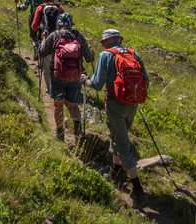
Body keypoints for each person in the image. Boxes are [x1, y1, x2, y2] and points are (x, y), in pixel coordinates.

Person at [82, 29, 149, 206]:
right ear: (119, 40)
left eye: (103, 42)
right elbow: (146, 79)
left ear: (107, 42)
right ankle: (116, 172)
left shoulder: (106, 55)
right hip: (133, 104)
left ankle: (137, 187)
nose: (102, 45)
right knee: (118, 137)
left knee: (122, 142)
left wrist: (84, 80)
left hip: (115, 104)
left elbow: (96, 84)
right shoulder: (134, 53)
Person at [40, 13, 93, 141]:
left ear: (58, 24)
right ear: (71, 24)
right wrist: (91, 52)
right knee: (73, 105)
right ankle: (78, 133)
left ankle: (60, 134)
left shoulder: (54, 35)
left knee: (58, 104)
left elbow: (42, 52)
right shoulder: (78, 36)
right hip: (75, 77)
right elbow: (89, 58)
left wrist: (43, 39)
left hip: (57, 77)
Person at [31, 0, 63, 90]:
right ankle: (60, 86)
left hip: (46, 37)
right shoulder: (59, 8)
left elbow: (34, 26)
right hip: (59, 38)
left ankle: (50, 89)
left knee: (46, 64)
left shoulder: (40, 8)